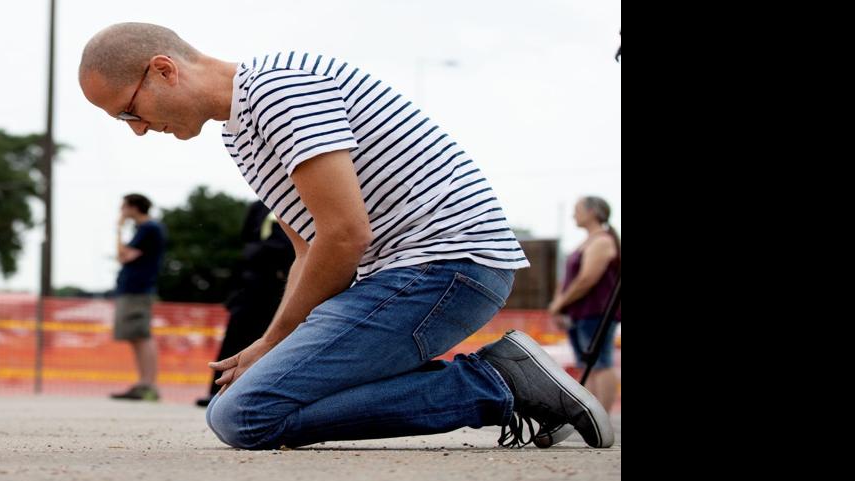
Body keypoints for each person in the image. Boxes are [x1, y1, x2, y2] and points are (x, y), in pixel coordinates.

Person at [78, 23, 614, 449]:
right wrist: (277, 345)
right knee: (244, 405)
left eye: (129, 111)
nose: (138, 129)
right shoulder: (240, 133)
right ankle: (510, 380)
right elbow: (306, 249)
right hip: (410, 275)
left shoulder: (278, 89)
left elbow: (344, 235)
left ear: (164, 70)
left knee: (247, 415)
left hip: (444, 266)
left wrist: (272, 343)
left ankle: (497, 386)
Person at [197, 200, 294, 407]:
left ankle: (261, 394)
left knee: (274, 338)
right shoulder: (259, 207)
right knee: (235, 336)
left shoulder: (302, 201)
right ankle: (217, 390)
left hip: (283, 281)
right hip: (251, 282)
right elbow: (247, 239)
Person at [547, 196, 620, 413]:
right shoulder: (588, 241)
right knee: (586, 364)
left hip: (596, 312)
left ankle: (603, 414)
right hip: (581, 314)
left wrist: (560, 302)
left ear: (592, 212)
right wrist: (560, 306)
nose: (573, 215)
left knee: (600, 363)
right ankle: (591, 413)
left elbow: (587, 279)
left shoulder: (602, 241)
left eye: (577, 210)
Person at [109, 194, 167, 401]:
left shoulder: (148, 228)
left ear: (133, 207)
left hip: (138, 288)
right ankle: (143, 382)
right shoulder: (146, 229)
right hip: (134, 288)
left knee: (142, 335)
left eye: (123, 206)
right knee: (135, 335)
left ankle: (148, 384)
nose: (121, 210)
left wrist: (118, 229)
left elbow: (123, 255)